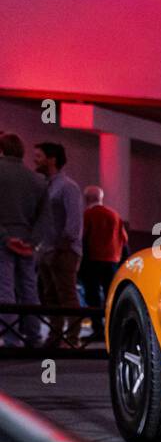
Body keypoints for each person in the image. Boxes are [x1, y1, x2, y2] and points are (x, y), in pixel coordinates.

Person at [32, 141, 83, 347]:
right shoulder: (46, 186)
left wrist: (61, 248)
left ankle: (72, 339)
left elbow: (73, 223)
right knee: (51, 297)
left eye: (39, 156)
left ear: (52, 159)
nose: (35, 160)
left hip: (64, 251)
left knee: (67, 296)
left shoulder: (68, 187)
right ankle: (55, 337)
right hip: (47, 249)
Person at [0, 132, 44, 347]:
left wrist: (6, 238)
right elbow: (46, 218)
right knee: (29, 288)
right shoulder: (36, 179)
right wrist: (32, 241)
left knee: (4, 287)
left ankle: (10, 336)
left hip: (2, 239)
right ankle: (34, 335)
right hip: (27, 240)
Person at [80, 185, 127, 343]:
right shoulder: (114, 215)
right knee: (110, 296)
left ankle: (97, 329)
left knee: (92, 297)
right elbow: (124, 240)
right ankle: (112, 329)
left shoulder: (88, 215)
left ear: (86, 199)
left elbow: (83, 237)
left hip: (93, 260)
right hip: (112, 261)